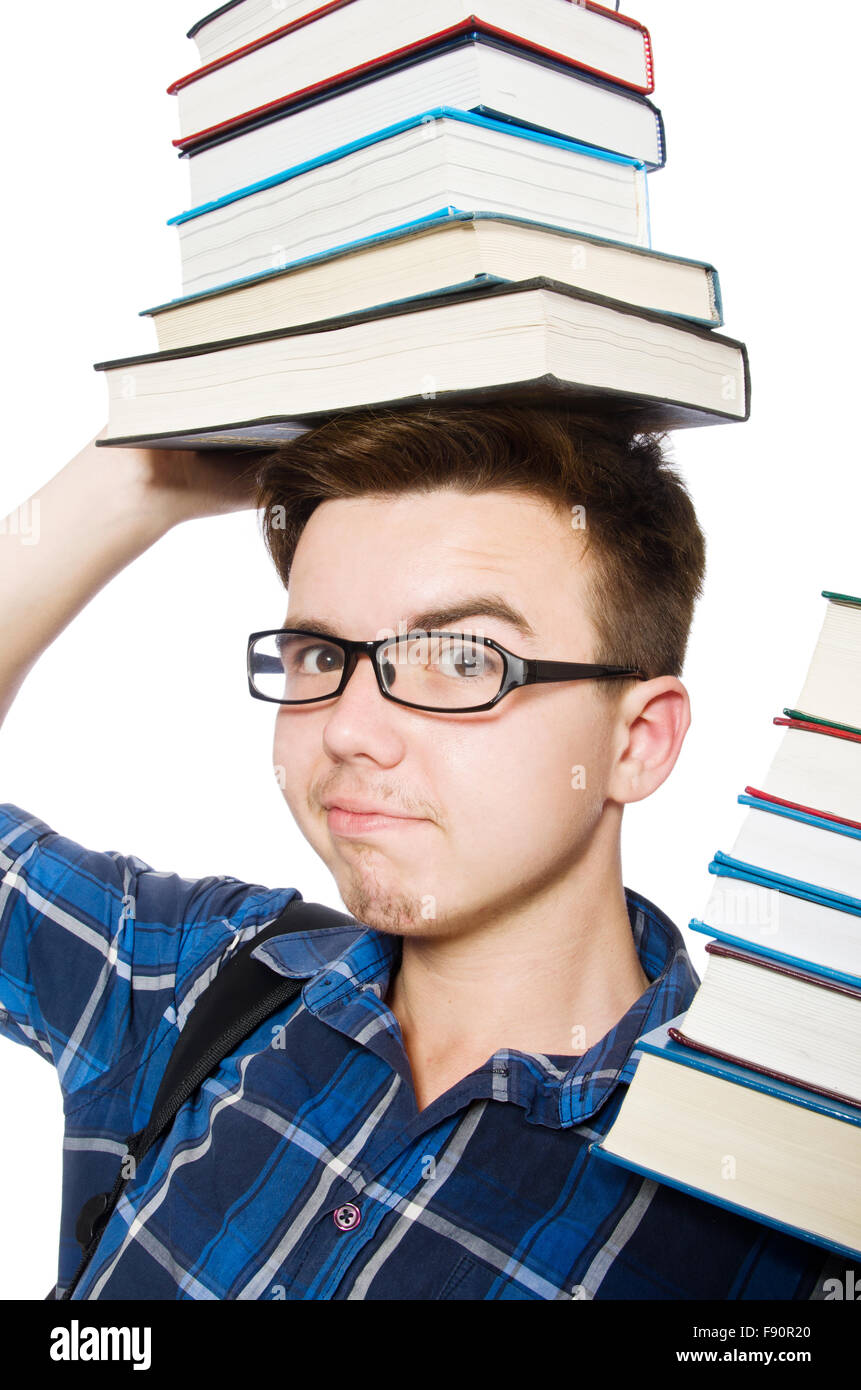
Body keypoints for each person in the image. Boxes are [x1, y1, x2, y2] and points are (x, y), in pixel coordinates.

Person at [0, 404, 850, 1300]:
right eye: (319, 654)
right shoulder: (197, 977)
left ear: (636, 741)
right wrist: (132, 483)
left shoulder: (779, 1203)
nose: (349, 730)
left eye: (462, 659)